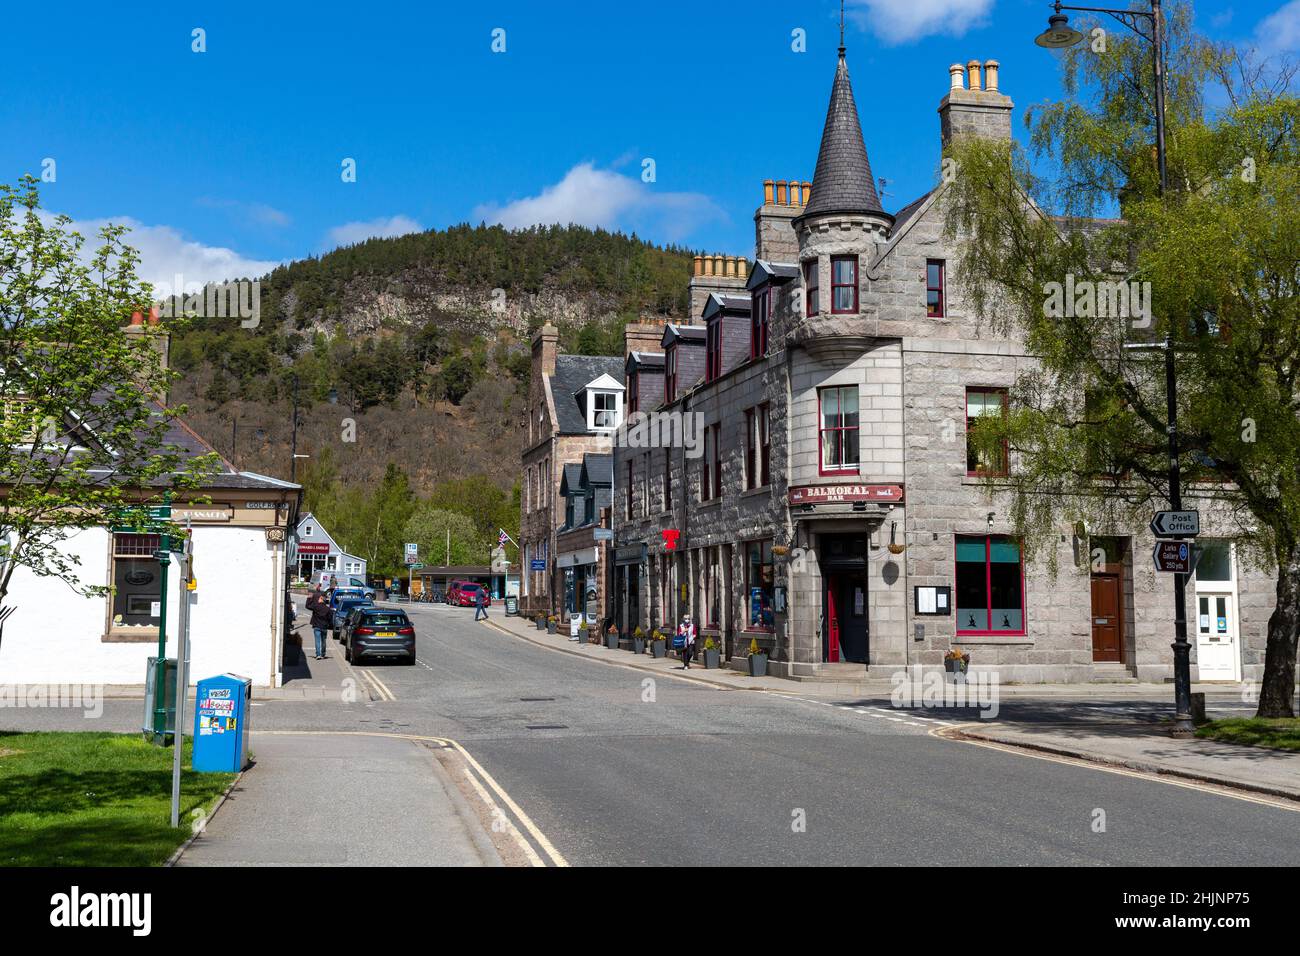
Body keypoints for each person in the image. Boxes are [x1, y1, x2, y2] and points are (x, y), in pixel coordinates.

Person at [305, 585, 332, 661]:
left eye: (319, 598)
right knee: (323, 641)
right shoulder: (328, 609)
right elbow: (330, 619)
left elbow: (307, 606)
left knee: (317, 641)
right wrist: (328, 624)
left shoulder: (316, 607)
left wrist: (309, 597)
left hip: (317, 626)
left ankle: (318, 655)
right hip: (324, 627)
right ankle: (323, 654)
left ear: (321, 599)